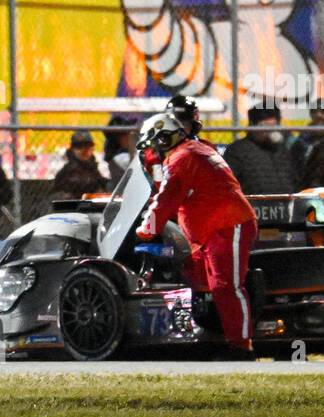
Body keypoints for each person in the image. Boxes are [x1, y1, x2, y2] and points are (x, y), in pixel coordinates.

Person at [135, 96, 259, 357]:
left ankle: (242, 346)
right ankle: (209, 337)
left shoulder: (183, 157)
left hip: (226, 224)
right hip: (212, 229)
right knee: (195, 279)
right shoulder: (191, 150)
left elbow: (165, 197)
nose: (153, 152)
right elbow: (165, 189)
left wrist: (145, 230)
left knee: (226, 286)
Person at [221, 104, 299, 194]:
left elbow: (294, 179)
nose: (270, 132)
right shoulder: (237, 150)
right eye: (265, 127)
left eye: (274, 127)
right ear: (253, 126)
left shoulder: (283, 150)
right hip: (254, 205)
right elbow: (228, 182)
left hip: (285, 204)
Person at [52, 130, 108, 199]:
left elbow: (101, 191)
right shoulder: (66, 171)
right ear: (72, 150)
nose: (84, 150)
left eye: (88, 146)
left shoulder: (94, 169)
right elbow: (57, 194)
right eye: (79, 147)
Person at [102, 114, 140, 189]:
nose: (130, 135)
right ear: (117, 138)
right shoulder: (119, 157)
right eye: (126, 134)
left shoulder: (129, 151)